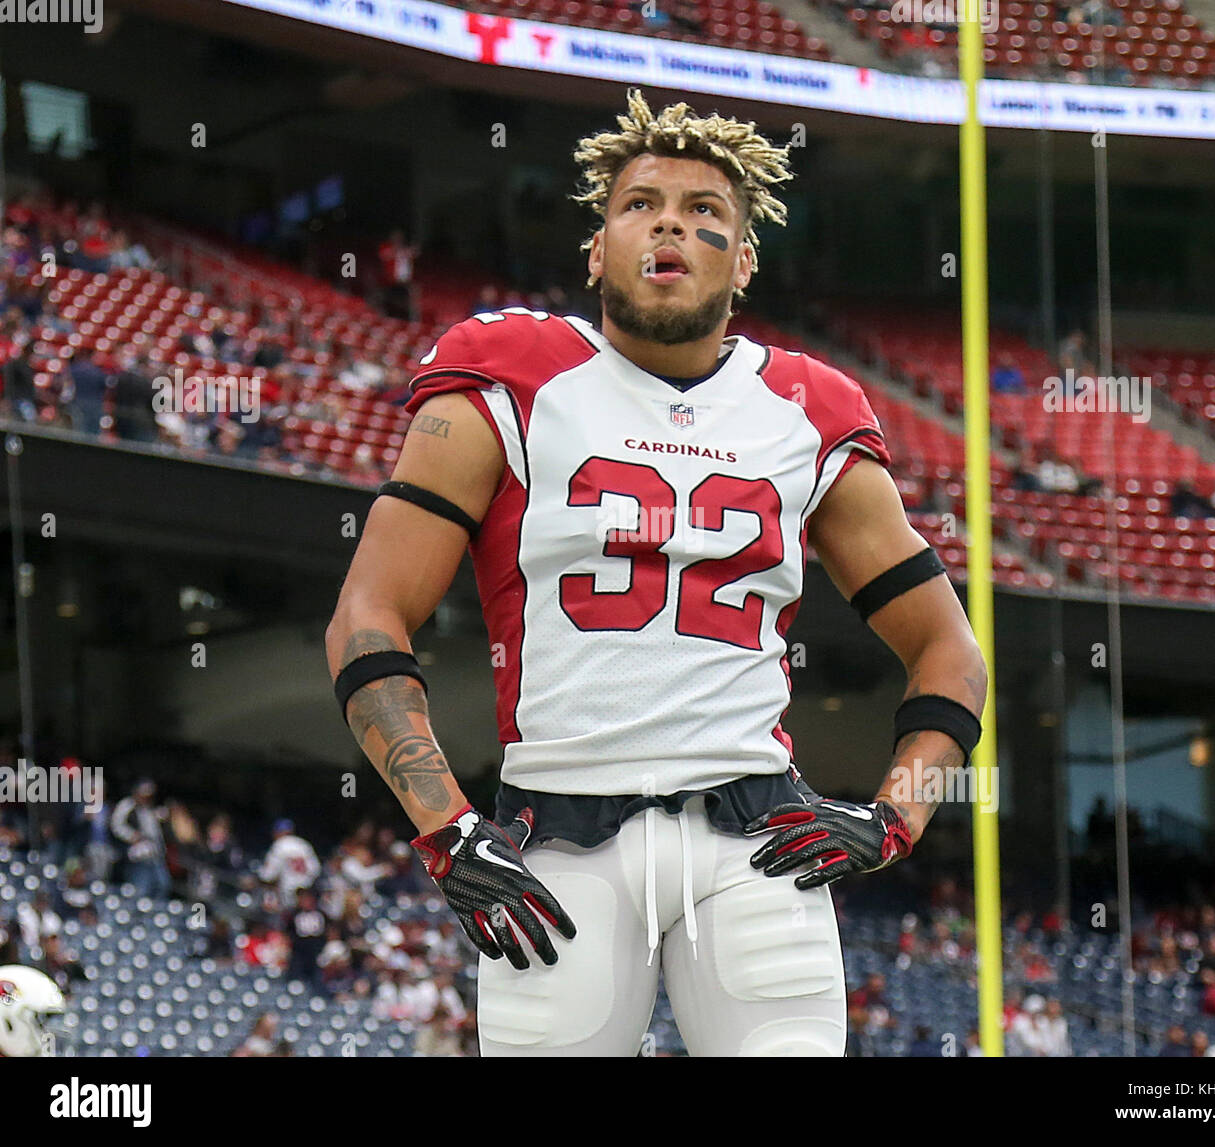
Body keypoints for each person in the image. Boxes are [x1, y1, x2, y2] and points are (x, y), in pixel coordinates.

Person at [325, 88, 987, 1058]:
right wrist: (443, 826)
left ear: (744, 260)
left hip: (755, 844)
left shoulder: (810, 405)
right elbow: (369, 617)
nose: (670, 220)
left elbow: (949, 652)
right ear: (596, 248)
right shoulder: (506, 372)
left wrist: (893, 819)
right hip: (553, 847)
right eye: (639, 203)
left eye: (704, 210)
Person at [110, 779, 169, 899]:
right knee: (141, 887)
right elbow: (116, 825)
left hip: (155, 854)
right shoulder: (128, 805)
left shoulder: (151, 809)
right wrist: (131, 836)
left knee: (163, 884)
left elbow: (156, 833)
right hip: (137, 854)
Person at [258, 818, 320, 909]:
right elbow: (316, 869)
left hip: (289, 891)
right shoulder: (303, 844)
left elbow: (268, 875)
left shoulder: (279, 845)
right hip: (306, 891)